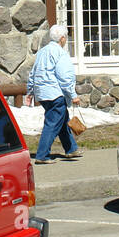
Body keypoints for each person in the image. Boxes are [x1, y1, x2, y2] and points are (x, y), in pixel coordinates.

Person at [27, 24, 81, 163]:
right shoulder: (60, 53)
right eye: (66, 37)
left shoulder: (42, 52)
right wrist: (73, 95)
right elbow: (65, 77)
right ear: (62, 38)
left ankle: (71, 149)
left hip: (42, 93)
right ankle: (42, 155)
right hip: (54, 93)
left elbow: (33, 73)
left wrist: (30, 91)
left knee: (62, 120)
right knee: (52, 123)